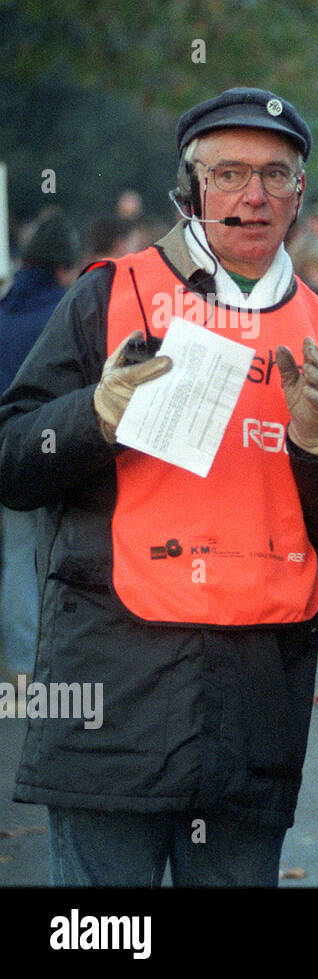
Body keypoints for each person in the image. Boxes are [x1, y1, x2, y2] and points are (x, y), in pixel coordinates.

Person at [0, 87, 318, 886]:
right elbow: (12, 461)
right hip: (113, 693)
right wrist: (96, 414)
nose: (254, 195)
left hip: (255, 709)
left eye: (277, 175)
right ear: (190, 187)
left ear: (301, 193)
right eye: (229, 172)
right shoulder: (109, 293)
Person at [0, 211, 80, 685]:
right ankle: (55, 667)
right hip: (50, 449)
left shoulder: (4, 309)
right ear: (65, 266)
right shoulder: (65, 311)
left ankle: (20, 666)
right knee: (54, 557)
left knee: (15, 557)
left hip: (4, 451)